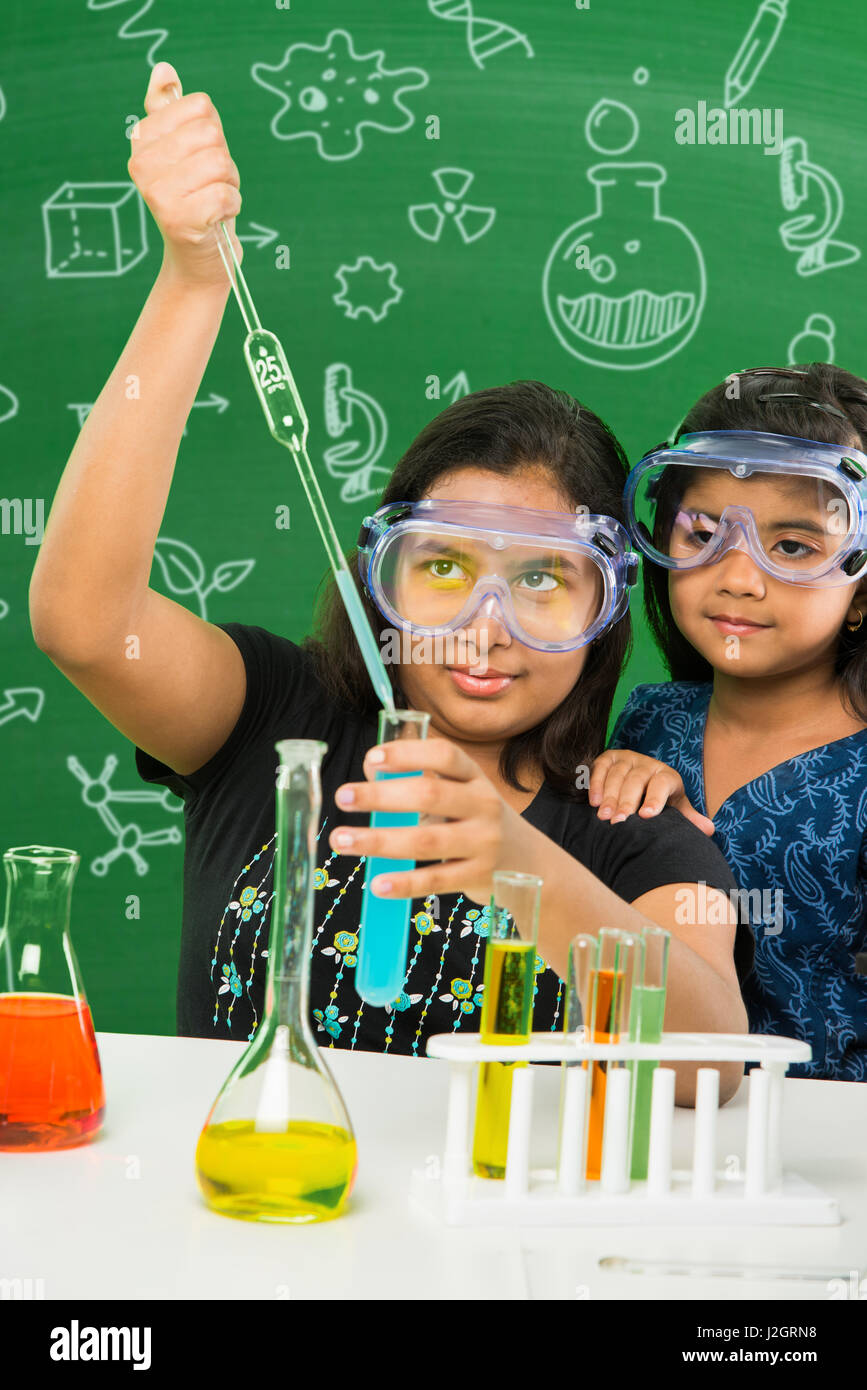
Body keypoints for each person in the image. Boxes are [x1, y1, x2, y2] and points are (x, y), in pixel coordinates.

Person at [28, 62, 753, 1103]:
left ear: (602, 610)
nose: (482, 626)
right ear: (380, 578)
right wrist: (193, 280)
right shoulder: (274, 720)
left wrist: (508, 854)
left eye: (546, 579)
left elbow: (711, 1063)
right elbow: (83, 623)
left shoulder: (634, 829)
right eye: (444, 567)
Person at [592, 364, 867, 1080]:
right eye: (703, 532)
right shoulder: (648, 721)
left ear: (862, 588)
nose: (737, 575)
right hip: (651, 1124)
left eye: (793, 547)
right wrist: (615, 784)